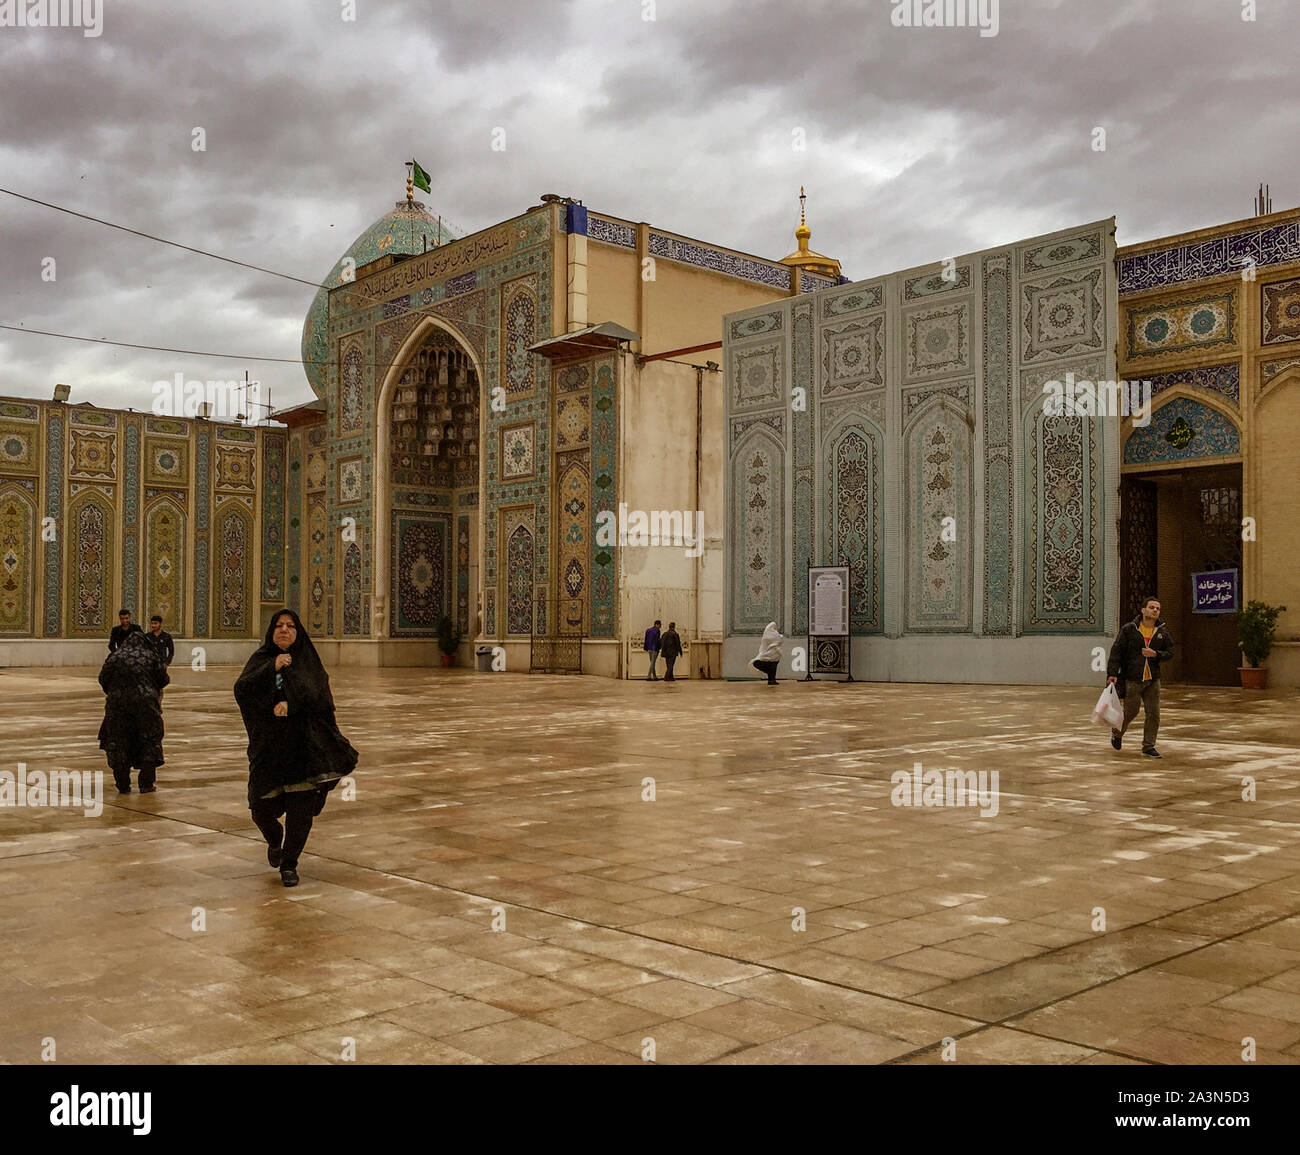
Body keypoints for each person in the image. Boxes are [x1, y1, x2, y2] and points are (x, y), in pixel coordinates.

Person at [234, 609, 359, 887]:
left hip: (304, 751)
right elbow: (242, 691)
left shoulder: (308, 663)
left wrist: (293, 705)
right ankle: (274, 838)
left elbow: (322, 701)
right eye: (279, 626)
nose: (284, 630)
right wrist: (272, 669)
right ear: (271, 631)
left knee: (300, 812)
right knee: (260, 808)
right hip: (269, 751)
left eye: (290, 626)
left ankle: (289, 864)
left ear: (297, 631)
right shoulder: (261, 660)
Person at [97, 630, 169, 793]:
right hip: (146, 705)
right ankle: (146, 783)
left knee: (118, 741)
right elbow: (164, 679)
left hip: (118, 706)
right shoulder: (150, 655)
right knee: (149, 740)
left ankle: (122, 784)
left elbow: (102, 678)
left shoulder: (115, 657)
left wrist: (115, 692)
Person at [1106, 595, 1175, 758]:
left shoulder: (1162, 632)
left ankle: (1148, 746)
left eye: (1158, 608)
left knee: (1154, 713)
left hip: (1153, 679)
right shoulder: (1129, 629)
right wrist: (1112, 673)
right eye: (1152, 607)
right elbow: (1117, 651)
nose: (1155, 610)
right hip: (1133, 678)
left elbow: (1171, 652)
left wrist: (1156, 654)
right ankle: (1117, 732)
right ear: (1143, 610)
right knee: (1131, 711)